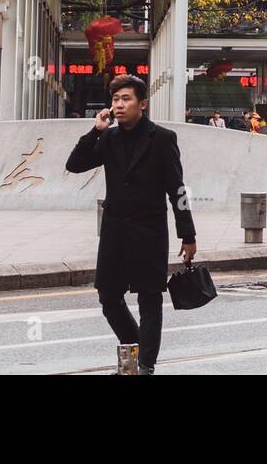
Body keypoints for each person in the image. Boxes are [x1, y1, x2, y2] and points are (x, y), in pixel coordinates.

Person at [65, 74, 196, 375]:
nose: (119, 105)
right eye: (115, 100)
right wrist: (95, 131)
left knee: (150, 299)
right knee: (108, 297)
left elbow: (177, 189)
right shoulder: (108, 137)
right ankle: (137, 351)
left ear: (143, 103)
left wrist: (187, 234)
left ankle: (145, 365)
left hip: (149, 231)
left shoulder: (162, 139)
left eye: (126, 99)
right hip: (114, 232)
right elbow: (74, 165)